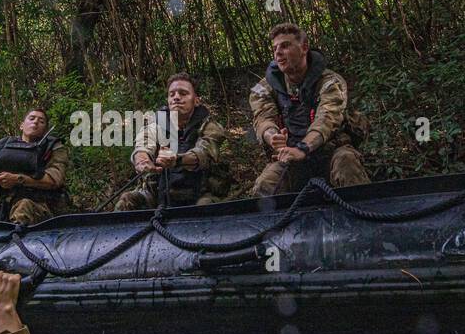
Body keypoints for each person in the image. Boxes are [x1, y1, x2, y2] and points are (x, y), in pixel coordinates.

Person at [248, 22, 370, 196]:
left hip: (331, 152)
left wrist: (302, 148)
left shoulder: (330, 81)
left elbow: (327, 118)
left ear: (304, 47)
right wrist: (272, 136)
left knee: (346, 162)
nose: (278, 53)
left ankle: (364, 218)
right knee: (265, 184)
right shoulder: (264, 88)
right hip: (291, 158)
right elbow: (262, 118)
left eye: (285, 46)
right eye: (275, 48)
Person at [116, 72, 229, 210]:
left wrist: (177, 160)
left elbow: (203, 153)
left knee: (205, 208)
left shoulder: (211, 127)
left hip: (201, 193)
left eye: (183, 93)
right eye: (172, 94)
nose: (176, 97)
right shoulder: (157, 124)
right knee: (126, 201)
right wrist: (142, 159)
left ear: (196, 100)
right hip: (158, 194)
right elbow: (144, 141)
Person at [0, 107, 70, 223]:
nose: (35, 122)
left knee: (24, 207)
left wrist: (17, 179)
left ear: (45, 130)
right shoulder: (1, 145)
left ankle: (18, 238)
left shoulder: (54, 148)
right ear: (21, 125)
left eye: (41, 121)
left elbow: (54, 180)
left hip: (37, 206)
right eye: (32, 118)